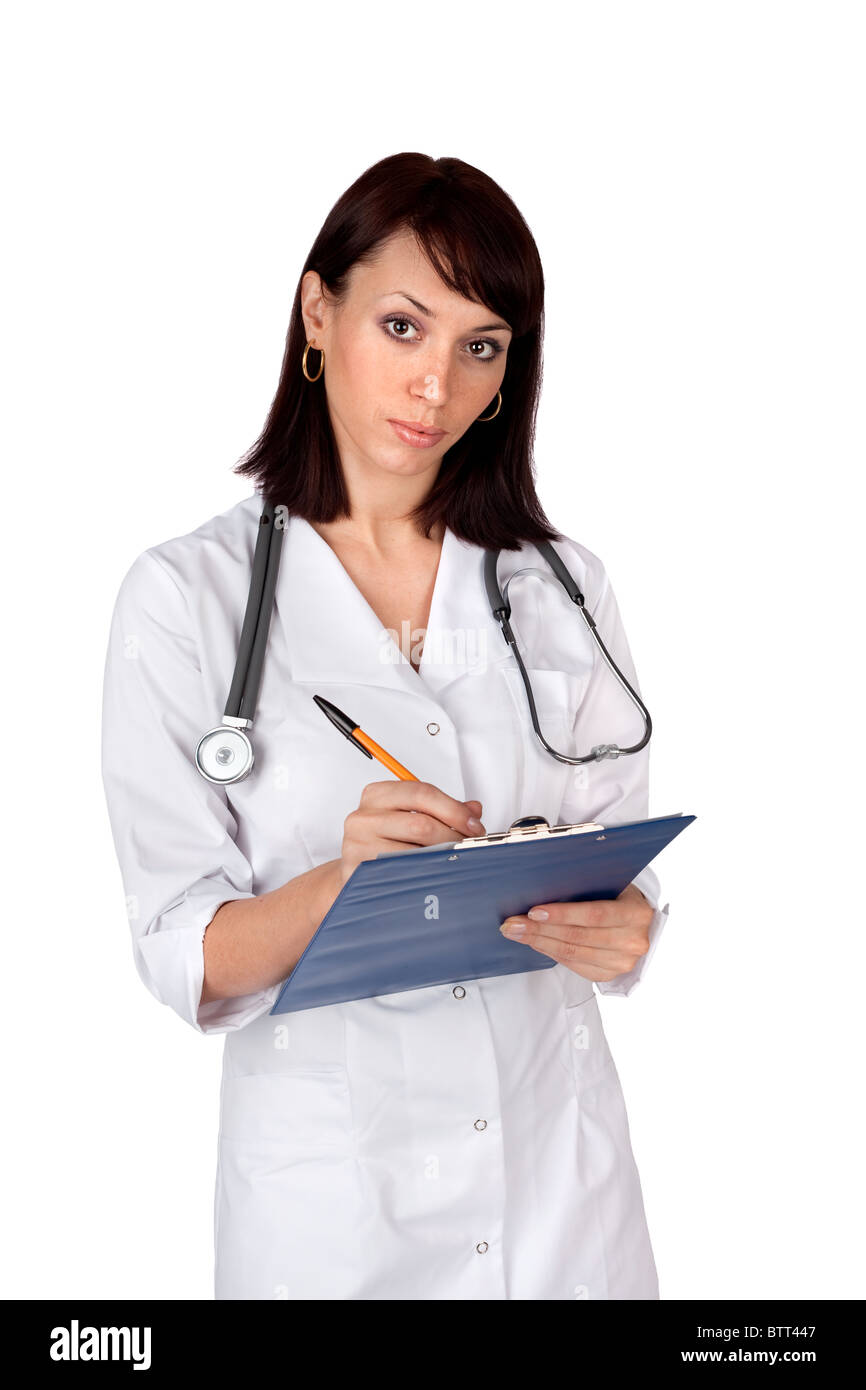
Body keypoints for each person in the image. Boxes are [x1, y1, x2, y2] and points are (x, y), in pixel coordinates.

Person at [101, 152, 670, 1301]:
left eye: (479, 346)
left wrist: (632, 931)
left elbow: (625, 858)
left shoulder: (560, 586)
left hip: (558, 1186)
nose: (435, 388)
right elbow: (182, 949)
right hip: (335, 1213)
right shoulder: (184, 598)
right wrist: (339, 882)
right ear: (318, 312)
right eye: (402, 326)